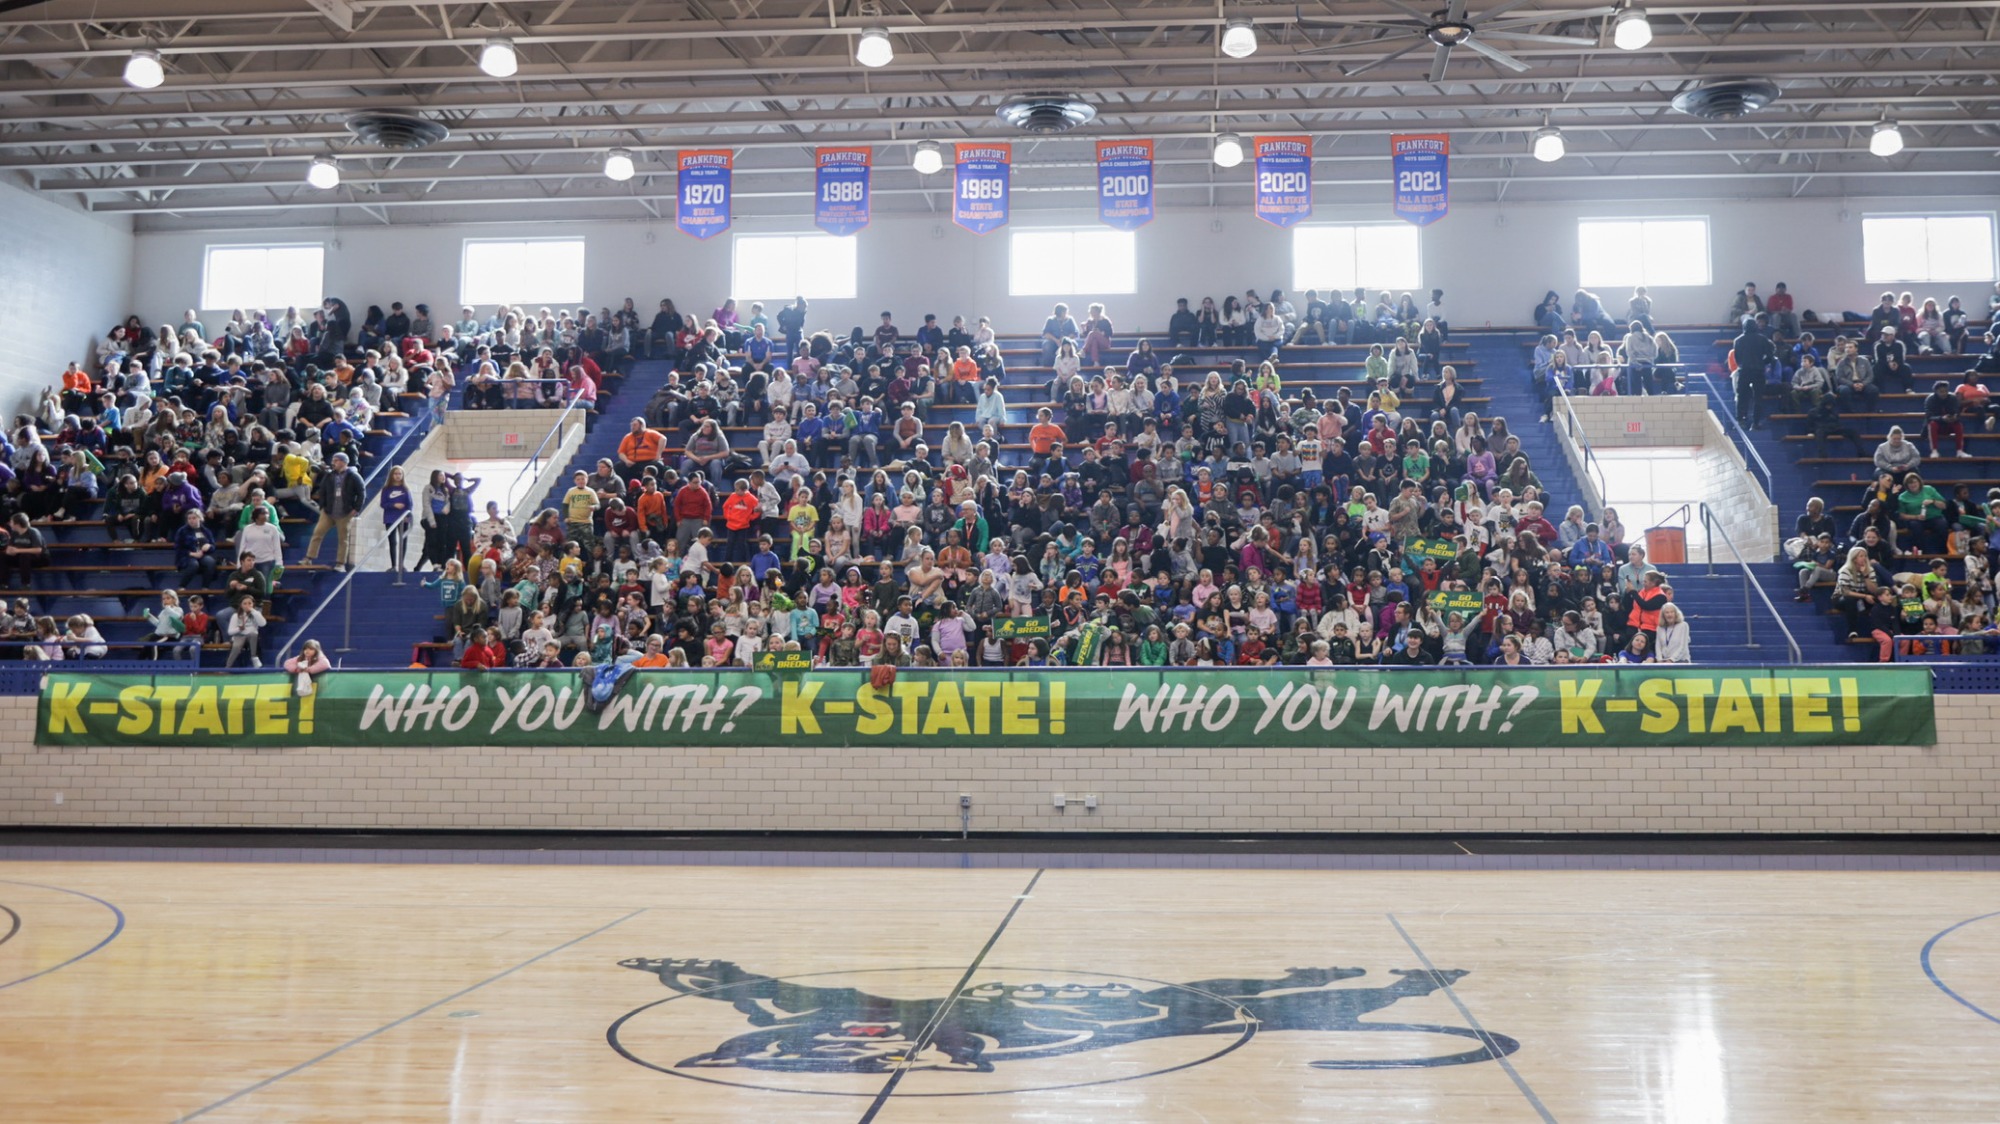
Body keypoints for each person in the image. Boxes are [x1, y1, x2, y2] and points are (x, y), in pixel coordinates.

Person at [305, 451, 365, 570]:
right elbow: (322, 490)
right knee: (317, 533)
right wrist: (322, 506)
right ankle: (308, 558)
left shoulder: (353, 476)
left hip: (345, 512)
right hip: (328, 511)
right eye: (333, 460)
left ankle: (340, 563)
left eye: (336, 460)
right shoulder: (329, 475)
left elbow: (361, 492)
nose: (333, 463)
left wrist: (356, 509)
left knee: (343, 539)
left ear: (344, 462)